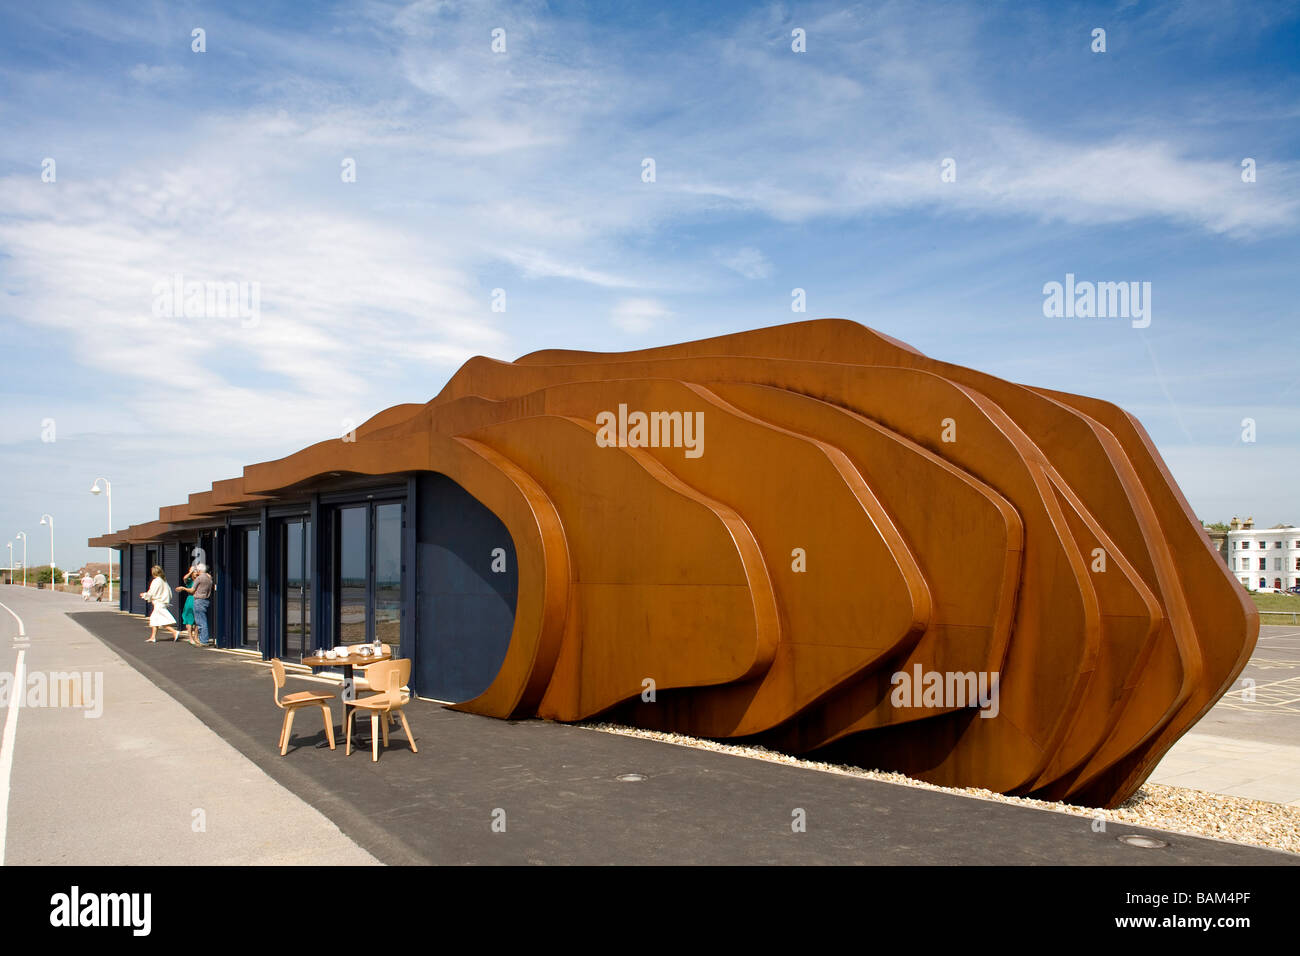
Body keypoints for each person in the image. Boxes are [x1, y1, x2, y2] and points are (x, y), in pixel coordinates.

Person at [140, 565, 181, 643]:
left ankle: (174, 632)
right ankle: (153, 637)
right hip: (162, 603)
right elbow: (169, 593)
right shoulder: (163, 581)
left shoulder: (156, 581)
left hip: (158, 603)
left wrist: (144, 595)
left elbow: (152, 592)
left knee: (161, 620)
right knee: (155, 620)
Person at [191, 563, 215, 647]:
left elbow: (192, 590)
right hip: (206, 600)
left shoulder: (199, 578)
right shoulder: (209, 578)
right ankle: (204, 639)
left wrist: (182, 588)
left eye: (197, 570)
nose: (196, 571)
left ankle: (203, 640)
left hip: (199, 600)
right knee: (203, 621)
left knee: (200, 622)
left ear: (199, 570)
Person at [175, 565, 199, 644]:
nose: (195, 573)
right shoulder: (189, 580)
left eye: (196, 571)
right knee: (190, 619)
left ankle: (196, 637)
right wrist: (191, 571)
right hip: (190, 600)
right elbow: (184, 578)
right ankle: (190, 637)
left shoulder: (199, 580)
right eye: (194, 572)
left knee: (197, 620)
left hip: (198, 599)